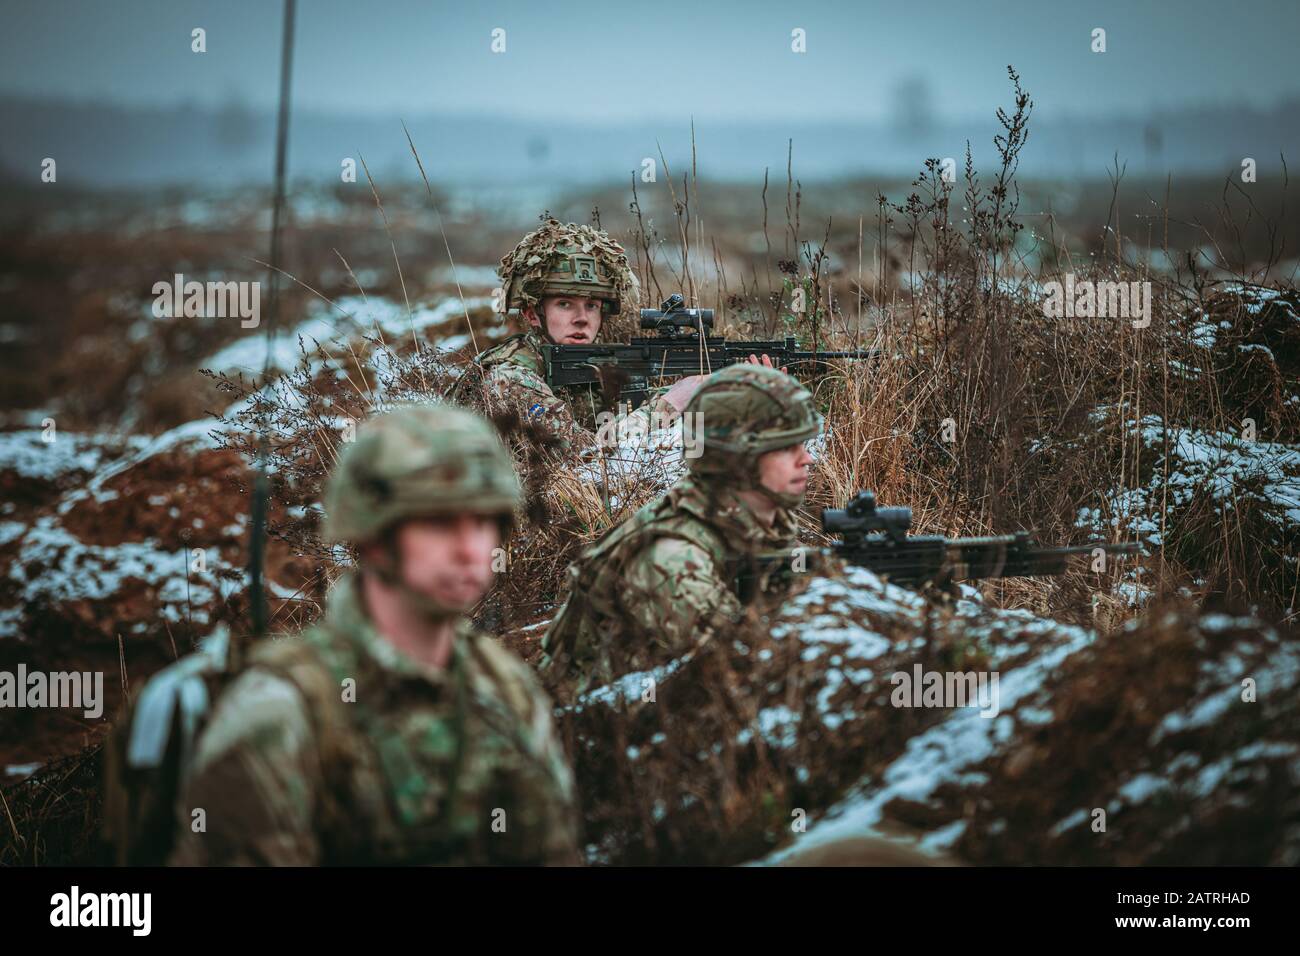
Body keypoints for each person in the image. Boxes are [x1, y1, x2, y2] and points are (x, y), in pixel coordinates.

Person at [168, 404, 580, 865]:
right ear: (374, 536)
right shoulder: (282, 711)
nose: (471, 549)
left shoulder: (504, 686)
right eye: (440, 523)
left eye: (484, 522)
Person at [540, 363, 820, 695]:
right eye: (787, 448)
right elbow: (748, 676)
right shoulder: (672, 561)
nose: (807, 460)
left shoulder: (755, 520)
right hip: (597, 728)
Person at [468, 218, 704, 440]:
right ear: (532, 314)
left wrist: (694, 389)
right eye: (565, 304)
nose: (582, 319)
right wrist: (668, 406)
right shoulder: (509, 378)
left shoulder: (586, 366)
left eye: (591, 306)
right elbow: (584, 455)